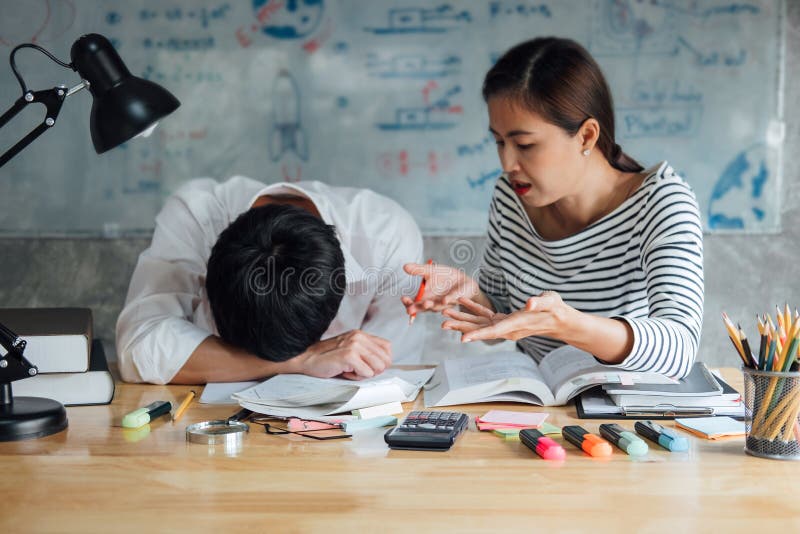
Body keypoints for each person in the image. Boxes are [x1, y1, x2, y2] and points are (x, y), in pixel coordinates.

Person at [402, 37, 703, 379]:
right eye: (499, 142)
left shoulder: (661, 202)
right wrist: (469, 295)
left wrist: (568, 325)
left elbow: (680, 348)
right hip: (538, 404)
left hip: (622, 411)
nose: (507, 163)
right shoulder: (510, 197)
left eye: (525, 144)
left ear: (587, 136)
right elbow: (500, 315)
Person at [117, 176, 423, 384]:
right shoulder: (196, 217)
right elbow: (139, 346)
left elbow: (389, 368)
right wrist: (299, 361)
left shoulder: (387, 238)